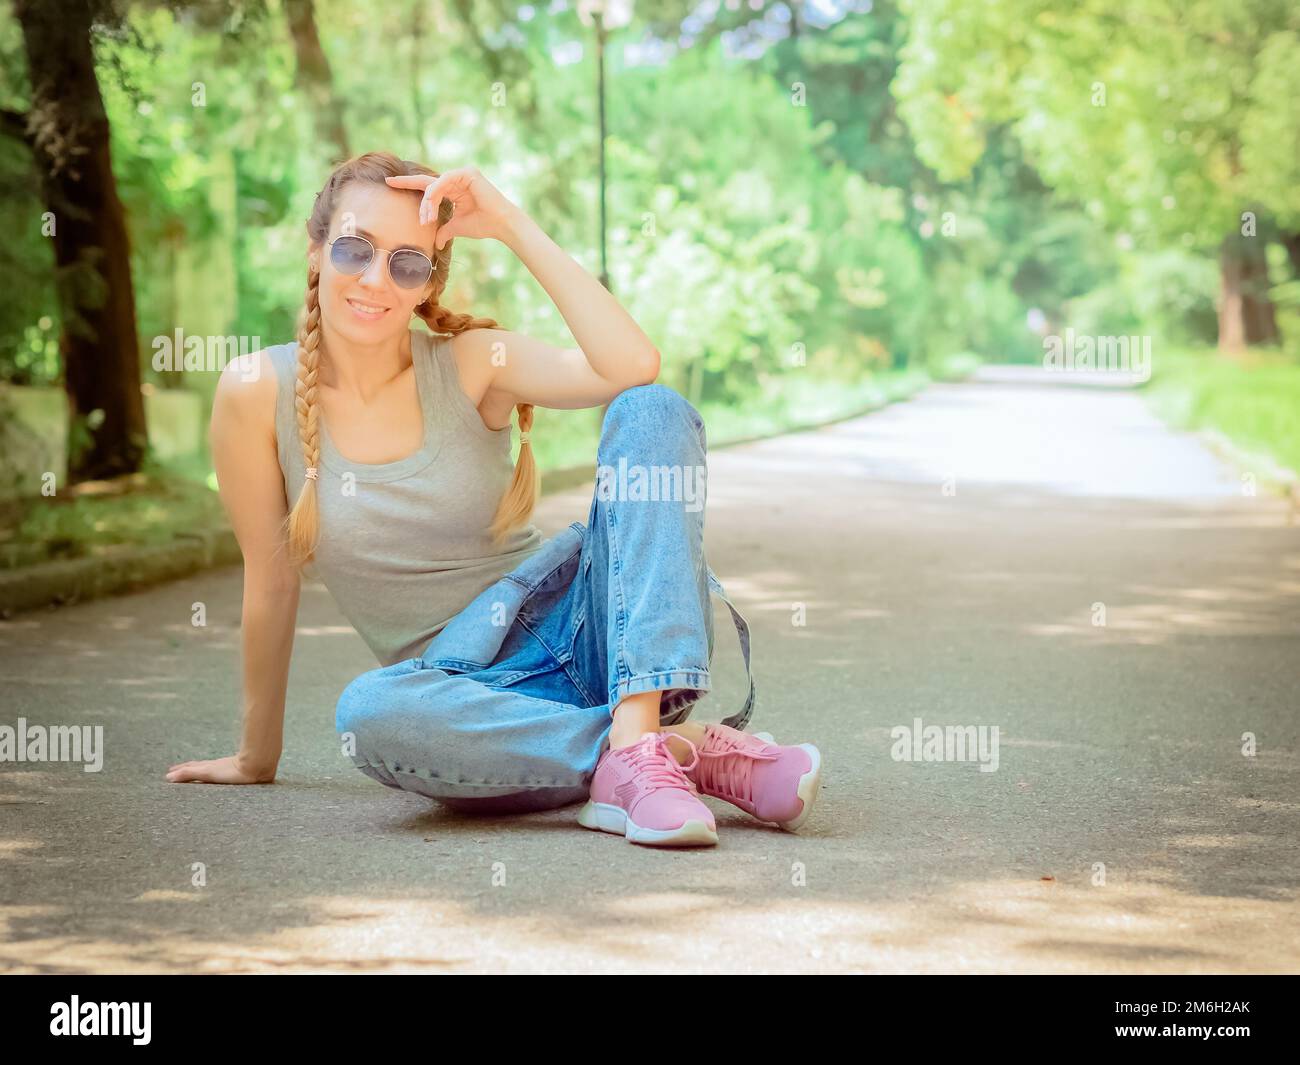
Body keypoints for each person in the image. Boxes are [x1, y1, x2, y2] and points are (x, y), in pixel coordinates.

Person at [166, 151, 823, 847]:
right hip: (466, 699)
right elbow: (270, 582)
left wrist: (508, 221)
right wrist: (254, 756)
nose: (375, 280)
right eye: (355, 249)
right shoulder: (253, 391)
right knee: (369, 712)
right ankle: (673, 750)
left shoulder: (472, 364)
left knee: (653, 409)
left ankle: (634, 750)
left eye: (407, 263)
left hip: (598, 634)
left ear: (427, 282)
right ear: (316, 249)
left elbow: (631, 365)